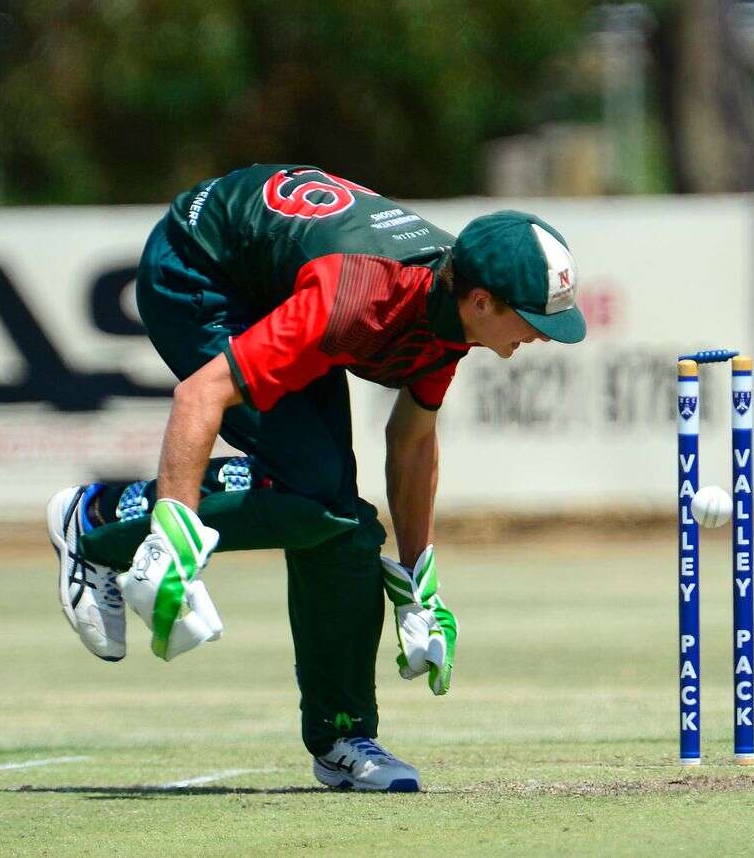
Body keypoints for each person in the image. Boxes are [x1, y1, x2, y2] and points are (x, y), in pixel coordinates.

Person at [46, 164, 586, 792]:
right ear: (482, 301)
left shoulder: (452, 305)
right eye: (532, 321)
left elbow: (411, 438)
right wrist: (173, 529)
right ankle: (99, 519)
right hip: (199, 267)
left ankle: (341, 737)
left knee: (336, 518)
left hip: (279, 283)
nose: (539, 338)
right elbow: (200, 395)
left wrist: (419, 581)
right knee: (315, 497)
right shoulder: (358, 300)